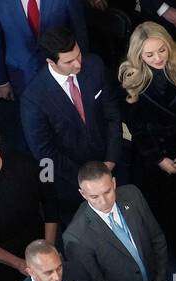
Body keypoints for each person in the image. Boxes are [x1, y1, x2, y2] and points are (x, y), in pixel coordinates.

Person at [18, 27, 124, 226]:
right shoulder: (33, 99)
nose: (78, 64)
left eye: (78, 55)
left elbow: (112, 115)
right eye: (68, 62)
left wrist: (110, 160)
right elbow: (44, 152)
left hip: (112, 164)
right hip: (72, 185)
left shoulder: (95, 66)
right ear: (51, 62)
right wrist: (87, 180)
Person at [118, 22, 176, 266]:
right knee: (165, 210)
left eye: (161, 50)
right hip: (154, 160)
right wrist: (160, 160)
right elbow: (138, 130)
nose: (158, 58)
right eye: (149, 54)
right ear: (138, 55)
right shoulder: (131, 82)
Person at [0, 135, 57, 281]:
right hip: (3, 262)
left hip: (37, 241)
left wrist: (49, 248)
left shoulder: (25, 164)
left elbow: (50, 204)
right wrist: (19, 264)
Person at [0, 0, 88, 98]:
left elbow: (79, 32)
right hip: (21, 76)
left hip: (63, 74)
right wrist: (2, 81)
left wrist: (83, 70)